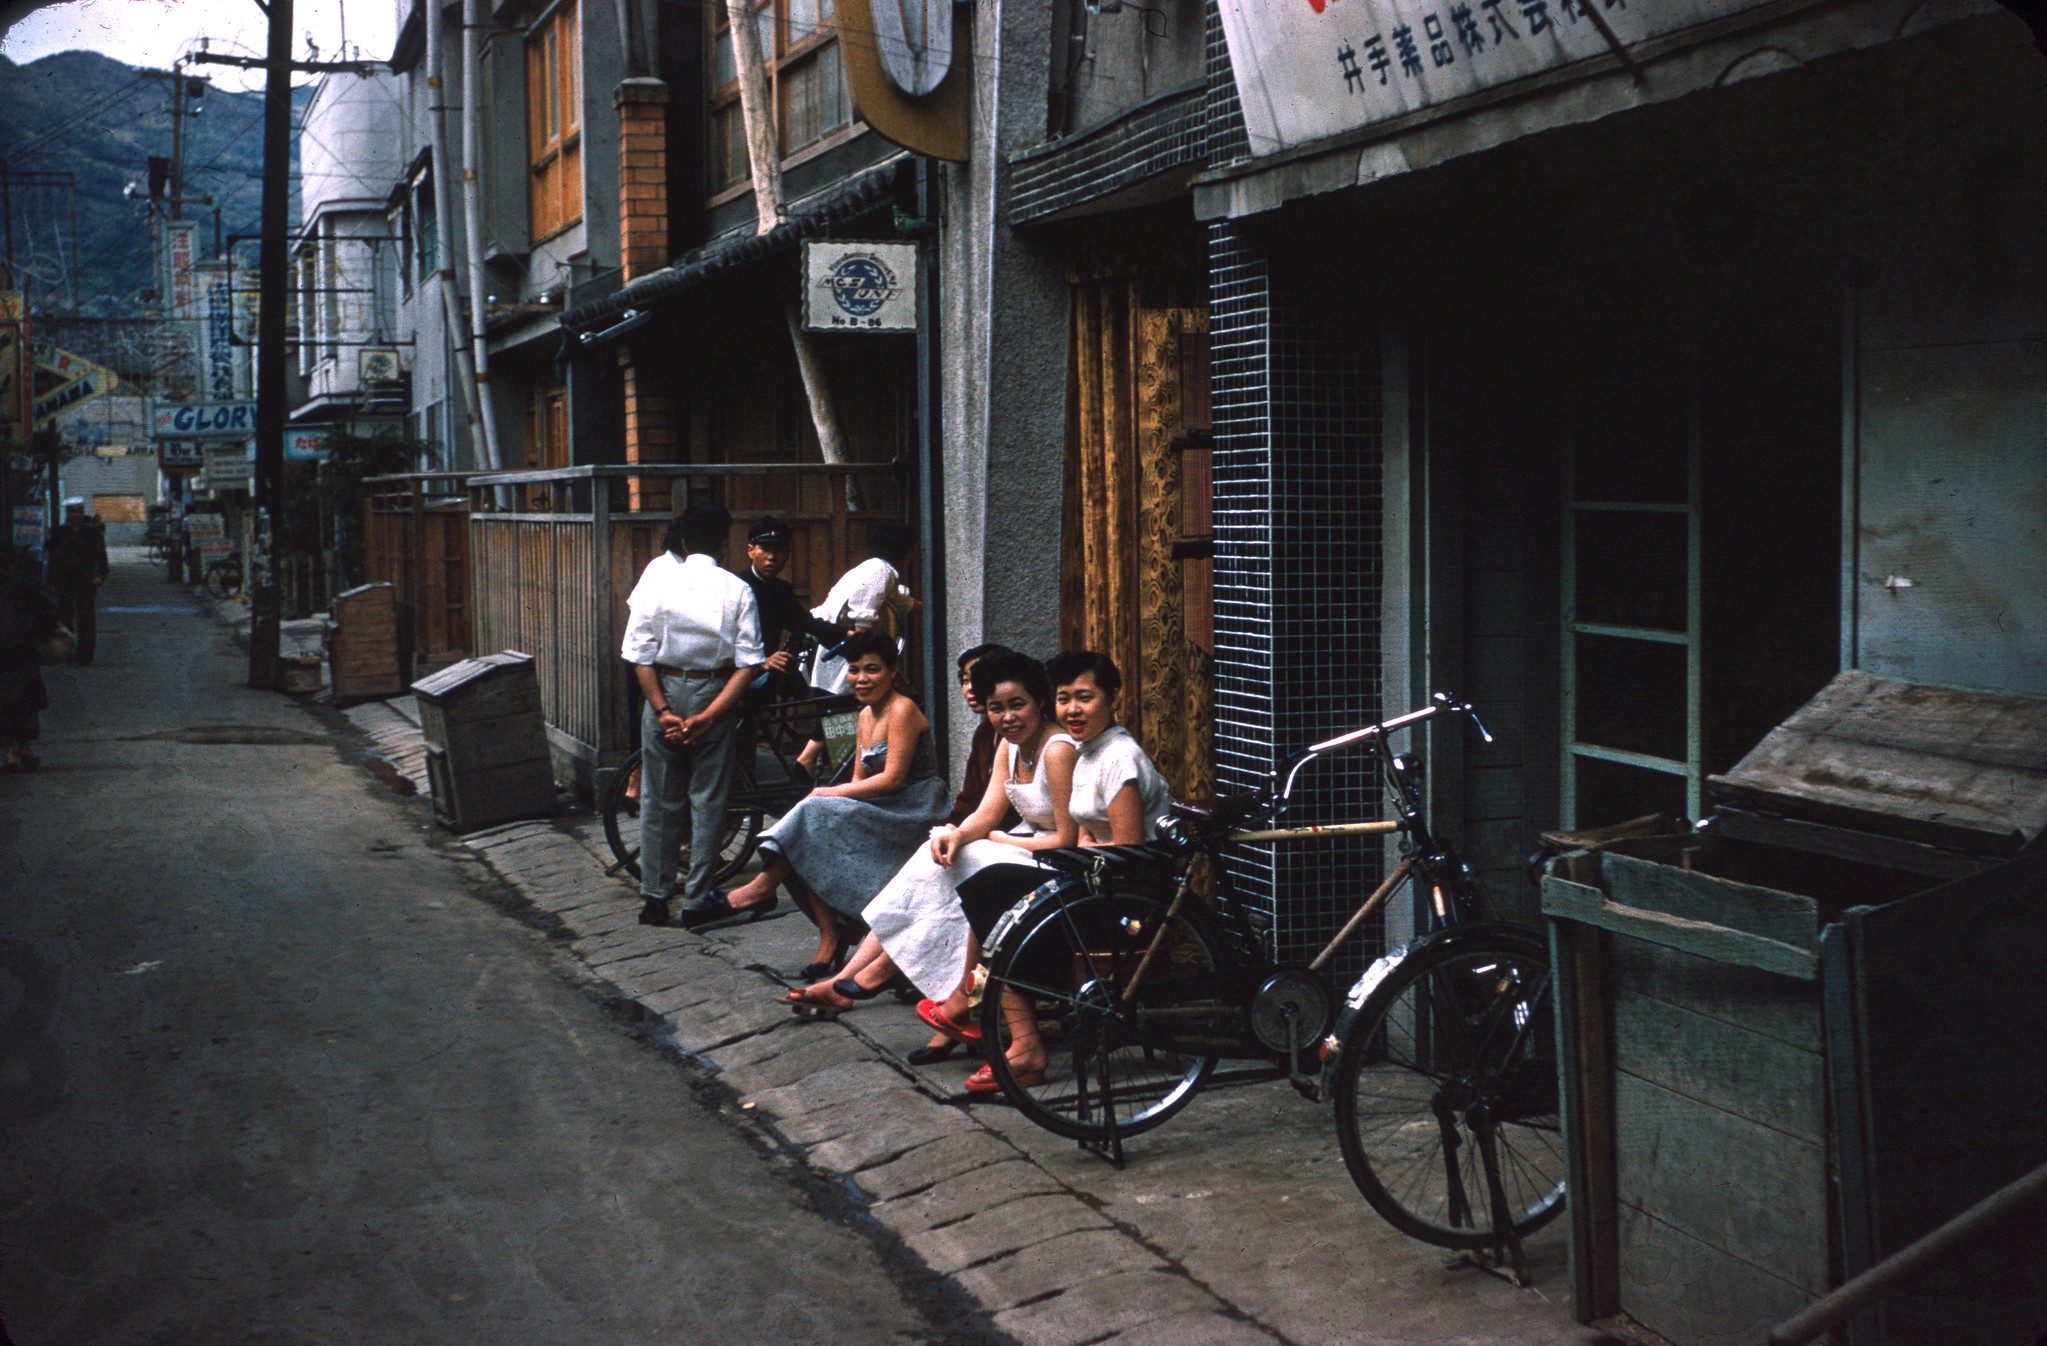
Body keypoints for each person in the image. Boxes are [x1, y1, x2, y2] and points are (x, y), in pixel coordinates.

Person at [782, 652, 1078, 1049]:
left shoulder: (1057, 749)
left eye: (1016, 705)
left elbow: (1067, 837)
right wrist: (956, 834)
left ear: (1039, 702)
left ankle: (875, 978)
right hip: (1023, 847)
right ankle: (852, 977)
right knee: (937, 854)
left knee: (972, 867)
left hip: (1057, 860)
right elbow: (988, 812)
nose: (1007, 717)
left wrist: (997, 840)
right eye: (996, 708)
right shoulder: (1009, 747)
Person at [966, 649, 1171, 1094]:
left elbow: (1130, 849)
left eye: (1085, 697)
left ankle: (1025, 1043)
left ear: (1113, 698)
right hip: (1097, 884)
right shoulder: (1086, 751)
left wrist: (1081, 852)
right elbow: (1082, 837)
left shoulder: (1120, 758)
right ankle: (1024, 1040)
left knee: (996, 892)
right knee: (990, 889)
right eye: (1064, 699)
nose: (1072, 710)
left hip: (1129, 905)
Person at [709, 631, 948, 973]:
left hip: (914, 808)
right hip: (882, 805)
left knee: (813, 811)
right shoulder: (865, 715)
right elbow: (859, 781)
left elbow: (893, 779)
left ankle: (763, 889)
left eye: (872, 669)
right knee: (814, 829)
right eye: (854, 670)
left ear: (892, 671)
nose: (861, 679)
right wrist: (829, 798)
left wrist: (825, 793)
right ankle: (827, 936)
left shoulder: (902, 709)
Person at [620, 501, 765, 927]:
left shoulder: (658, 583)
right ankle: (696, 898)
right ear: (723, 542)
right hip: (713, 690)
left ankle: (654, 897)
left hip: (662, 687)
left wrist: (663, 710)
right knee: (708, 800)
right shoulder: (737, 589)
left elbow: (639, 655)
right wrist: (712, 714)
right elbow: (748, 663)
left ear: (683, 541)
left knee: (658, 798)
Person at [734, 516, 850, 693]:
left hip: (767, 674)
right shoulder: (734, 586)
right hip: (733, 675)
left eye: (779, 550)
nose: (771, 557)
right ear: (751, 551)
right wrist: (761, 661)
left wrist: (848, 635)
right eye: (765, 549)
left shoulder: (781, 590)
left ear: (787, 555)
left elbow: (807, 624)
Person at [806, 524, 916, 697]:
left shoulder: (874, 568)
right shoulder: (880, 570)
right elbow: (861, 619)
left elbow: (900, 601)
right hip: (840, 649)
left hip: (832, 645)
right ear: (905, 551)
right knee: (841, 709)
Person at [0, 546, 59, 772]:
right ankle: (25, 748)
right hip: (22, 650)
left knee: (3, 700)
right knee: (26, 698)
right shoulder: (25, 583)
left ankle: (8, 752)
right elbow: (48, 613)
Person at [948, 643, 1018, 825]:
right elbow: (969, 795)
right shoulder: (984, 733)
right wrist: (952, 825)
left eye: (977, 679)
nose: (970, 688)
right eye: (965, 681)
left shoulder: (1018, 732)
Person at [46, 502, 108, 665]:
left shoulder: (92, 532)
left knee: (86, 617)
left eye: (79, 512)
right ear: (68, 514)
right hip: (64, 580)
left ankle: (85, 654)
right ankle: (68, 652)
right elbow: (53, 558)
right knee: (65, 617)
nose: (76, 515)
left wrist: (101, 574)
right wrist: (51, 581)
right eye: (73, 512)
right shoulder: (60, 532)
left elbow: (101, 555)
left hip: (86, 580)